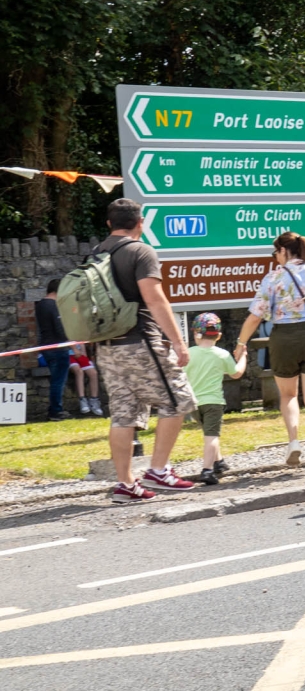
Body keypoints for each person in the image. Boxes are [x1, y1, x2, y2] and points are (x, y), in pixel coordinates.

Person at [92, 198, 199, 501]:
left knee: (123, 414)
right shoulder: (141, 251)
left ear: (109, 224)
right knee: (178, 400)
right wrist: (178, 341)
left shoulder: (96, 253)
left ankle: (125, 484)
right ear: (140, 223)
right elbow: (154, 298)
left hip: (107, 347)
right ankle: (158, 470)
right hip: (140, 342)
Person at [234, 232, 305, 472]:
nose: (275, 257)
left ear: (283, 251)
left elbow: (255, 316)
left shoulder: (273, 278)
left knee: (288, 395)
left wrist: (241, 344)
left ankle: (293, 441)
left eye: (275, 252)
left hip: (283, 338)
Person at [186, 313, 244, 485]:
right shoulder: (222, 354)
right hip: (213, 402)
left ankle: (219, 462)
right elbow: (236, 373)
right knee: (212, 436)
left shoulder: (189, 354)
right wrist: (243, 358)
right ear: (218, 335)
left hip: (194, 403)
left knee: (208, 433)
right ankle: (207, 470)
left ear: (196, 334)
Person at [33, 280, 70, 421]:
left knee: (56, 380)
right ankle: (55, 411)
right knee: (58, 381)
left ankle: (54, 409)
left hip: (46, 346)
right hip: (58, 348)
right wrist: (71, 340)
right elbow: (59, 329)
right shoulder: (53, 305)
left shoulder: (40, 305)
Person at [69, 345, 99, 416]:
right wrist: (74, 349)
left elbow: (81, 341)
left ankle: (94, 400)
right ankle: (82, 400)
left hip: (80, 354)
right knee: (79, 371)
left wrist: (83, 350)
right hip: (68, 354)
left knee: (93, 373)